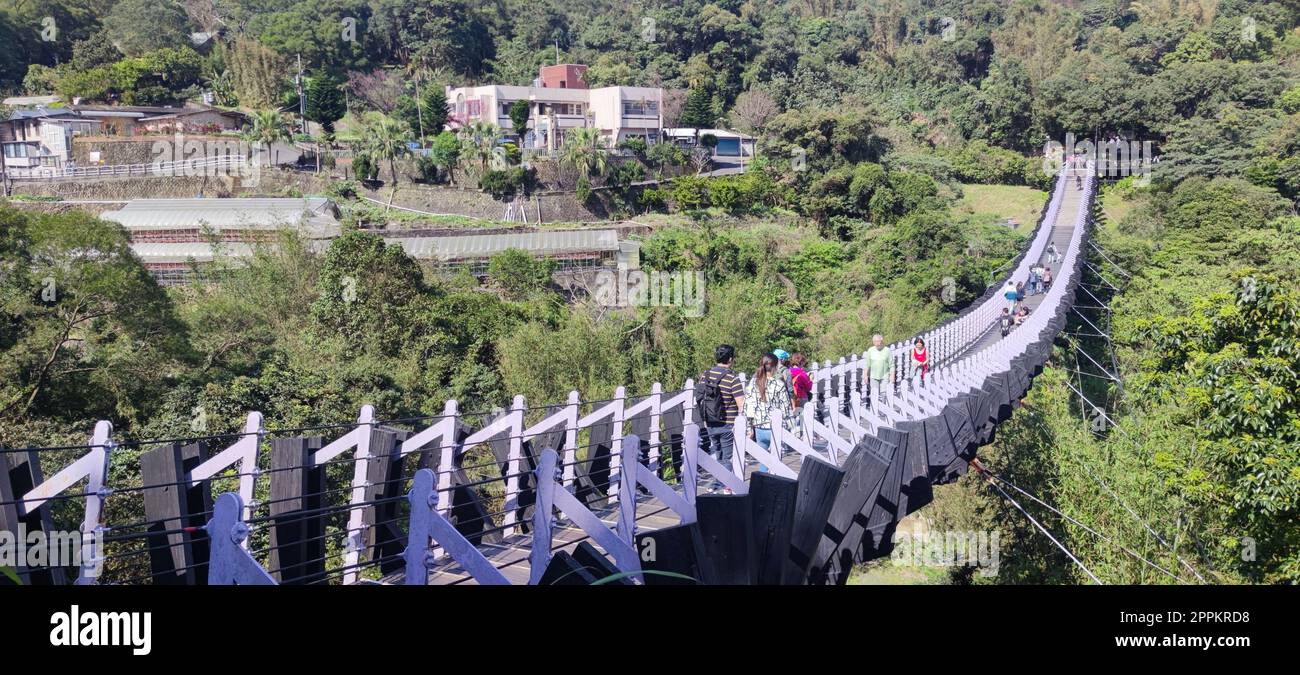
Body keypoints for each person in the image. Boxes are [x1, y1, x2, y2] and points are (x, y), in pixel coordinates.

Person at [696, 344, 745, 493]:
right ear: (730, 359)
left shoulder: (706, 374)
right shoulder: (732, 378)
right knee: (727, 456)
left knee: (718, 454)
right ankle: (727, 486)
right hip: (727, 422)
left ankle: (716, 484)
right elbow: (741, 403)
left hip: (710, 421)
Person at [743, 353, 793, 472]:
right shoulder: (779, 384)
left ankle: (762, 483)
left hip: (759, 427)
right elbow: (786, 409)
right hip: (775, 427)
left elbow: (747, 407)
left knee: (763, 460)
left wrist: (749, 428)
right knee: (776, 460)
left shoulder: (753, 383)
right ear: (775, 367)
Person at [788, 353, 813, 440]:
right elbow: (808, 387)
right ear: (801, 362)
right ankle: (799, 436)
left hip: (790, 397)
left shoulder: (787, 371)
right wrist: (810, 379)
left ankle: (791, 436)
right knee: (801, 417)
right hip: (801, 396)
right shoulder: (802, 373)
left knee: (791, 416)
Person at [864, 334, 893, 410]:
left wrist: (892, 376)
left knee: (883, 393)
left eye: (878, 341)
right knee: (874, 394)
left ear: (881, 341)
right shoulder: (870, 350)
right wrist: (865, 375)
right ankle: (874, 409)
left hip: (884, 375)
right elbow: (867, 364)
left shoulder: (887, 350)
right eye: (875, 341)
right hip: (874, 376)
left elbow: (892, 364)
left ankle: (883, 409)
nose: (877, 343)